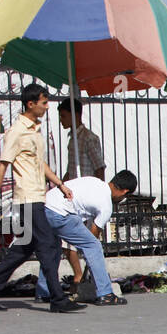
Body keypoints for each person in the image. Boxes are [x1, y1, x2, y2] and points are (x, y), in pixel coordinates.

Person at [0, 84, 83, 313]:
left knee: (22, 250)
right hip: (26, 200)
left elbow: (39, 164)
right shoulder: (17, 131)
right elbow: (4, 164)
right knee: (49, 245)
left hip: (36, 197)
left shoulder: (34, 131)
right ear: (31, 104)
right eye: (43, 102)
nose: (46, 106)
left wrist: (60, 184)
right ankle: (57, 298)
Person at [34, 170, 137, 307]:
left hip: (44, 206)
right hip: (60, 212)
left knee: (52, 247)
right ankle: (105, 294)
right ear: (124, 191)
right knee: (93, 246)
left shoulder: (94, 181)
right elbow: (92, 236)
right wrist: (91, 263)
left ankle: (43, 292)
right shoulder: (106, 205)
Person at [59, 96, 107, 294]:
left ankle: (89, 278)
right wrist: (59, 184)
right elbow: (71, 170)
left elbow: (99, 168)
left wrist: (99, 194)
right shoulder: (73, 140)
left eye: (63, 115)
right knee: (66, 240)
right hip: (72, 197)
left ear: (75, 114)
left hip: (87, 199)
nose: (61, 120)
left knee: (87, 240)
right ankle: (79, 275)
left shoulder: (89, 138)